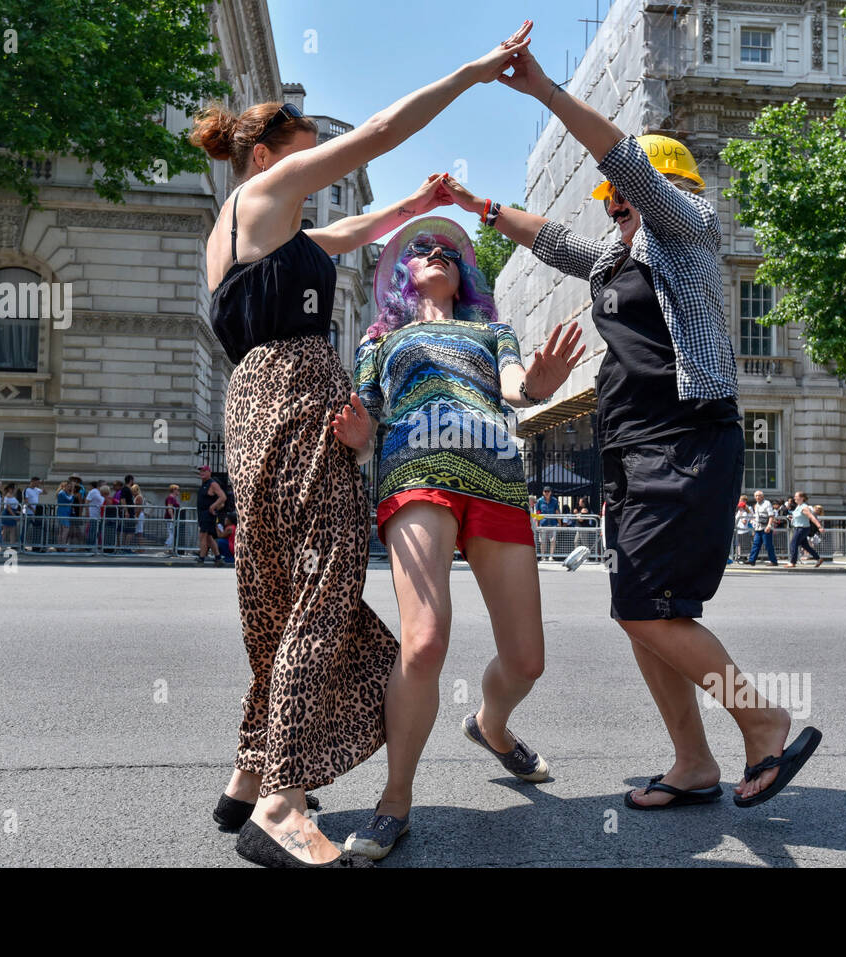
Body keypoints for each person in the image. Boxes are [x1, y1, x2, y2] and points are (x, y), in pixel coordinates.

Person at [439, 40, 820, 810]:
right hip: (635, 452)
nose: (611, 206)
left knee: (646, 609)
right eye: (609, 200)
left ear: (649, 190)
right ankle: (692, 763)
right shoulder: (616, 261)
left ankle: (764, 718)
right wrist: (474, 206)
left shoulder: (685, 228)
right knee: (648, 616)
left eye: (620, 195)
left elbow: (621, 154)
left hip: (685, 440)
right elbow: (549, 238)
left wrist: (545, 90)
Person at [191, 21, 533, 868]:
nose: (319, 165)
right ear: (271, 153)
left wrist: (419, 208)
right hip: (298, 396)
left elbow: (355, 233)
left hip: (253, 403)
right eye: (308, 150)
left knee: (276, 591)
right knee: (323, 584)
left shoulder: (257, 230)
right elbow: (381, 131)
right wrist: (473, 71)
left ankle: (248, 771)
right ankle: (280, 800)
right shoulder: (268, 194)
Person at [332, 215, 582, 860]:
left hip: (496, 475)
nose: (436, 253)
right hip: (416, 472)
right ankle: (395, 800)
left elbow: (512, 388)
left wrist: (534, 388)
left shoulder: (491, 331)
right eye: (422, 250)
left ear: (462, 271)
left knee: (527, 660)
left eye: (447, 250)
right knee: (425, 641)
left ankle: (490, 726)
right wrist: (360, 443)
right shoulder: (379, 341)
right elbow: (368, 415)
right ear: (402, 272)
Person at [193, 465, 227, 565]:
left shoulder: (213, 484)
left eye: (204, 471)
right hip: (202, 514)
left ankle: (201, 558)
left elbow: (223, 497)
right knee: (208, 537)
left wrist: (213, 506)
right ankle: (218, 558)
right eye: (201, 471)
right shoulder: (204, 483)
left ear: (209, 472)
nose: (202, 473)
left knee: (202, 536)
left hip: (207, 514)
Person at [786, 491, 824, 568]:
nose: (794, 498)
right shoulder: (798, 506)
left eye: (796, 496)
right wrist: (792, 518)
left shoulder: (804, 507)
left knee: (793, 544)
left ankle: (792, 562)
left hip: (802, 528)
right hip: (798, 528)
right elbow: (800, 517)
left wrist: (819, 526)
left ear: (802, 498)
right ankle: (818, 559)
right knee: (806, 546)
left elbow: (811, 517)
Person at [747, 489, 778, 566]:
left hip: (765, 528)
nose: (758, 497)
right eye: (756, 496)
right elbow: (756, 517)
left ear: (763, 496)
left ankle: (773, 561)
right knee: (756, 544)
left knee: (768, 545)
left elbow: (771, 515)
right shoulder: (756, 505)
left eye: (759, 495)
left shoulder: (767, 503)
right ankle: (752, 560)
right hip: (758, 528)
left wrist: (769, 526)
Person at [535, 486, 559, 561]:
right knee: (542, 541)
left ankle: (551, 556)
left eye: (548, 491)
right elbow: (538, 512)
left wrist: (559, 523)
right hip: (543, 523)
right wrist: (537, 524)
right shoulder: (539, 501)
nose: (547, 493)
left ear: (551, 492)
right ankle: (543, 556)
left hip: (553, 523)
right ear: (543, 492)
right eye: (545, 491)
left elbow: (557, 512)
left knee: (553, 540)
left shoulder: (554, 501)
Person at [55, 480, 74, 550]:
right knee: (65, 530)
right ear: (64, 486)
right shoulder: (62, 493)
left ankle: (60, 546)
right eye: (68, 487)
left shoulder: (64, 493)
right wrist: (72, 494)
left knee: (62, 530)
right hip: (63, 513)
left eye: (70, 487)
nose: (69, 488)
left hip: (65, 512)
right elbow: (69, 500)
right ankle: (62, 546)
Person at [164, 484, 181, 554]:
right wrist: (172, 517)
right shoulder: (170, 498)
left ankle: (169, 549)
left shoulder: (173, 498)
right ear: (174, 490)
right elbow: (170, 508)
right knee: (172, 533)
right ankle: (167, 546)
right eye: (178, 490)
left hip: (172, 518)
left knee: (172, 533)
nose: (179, 491)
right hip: (170, 518)